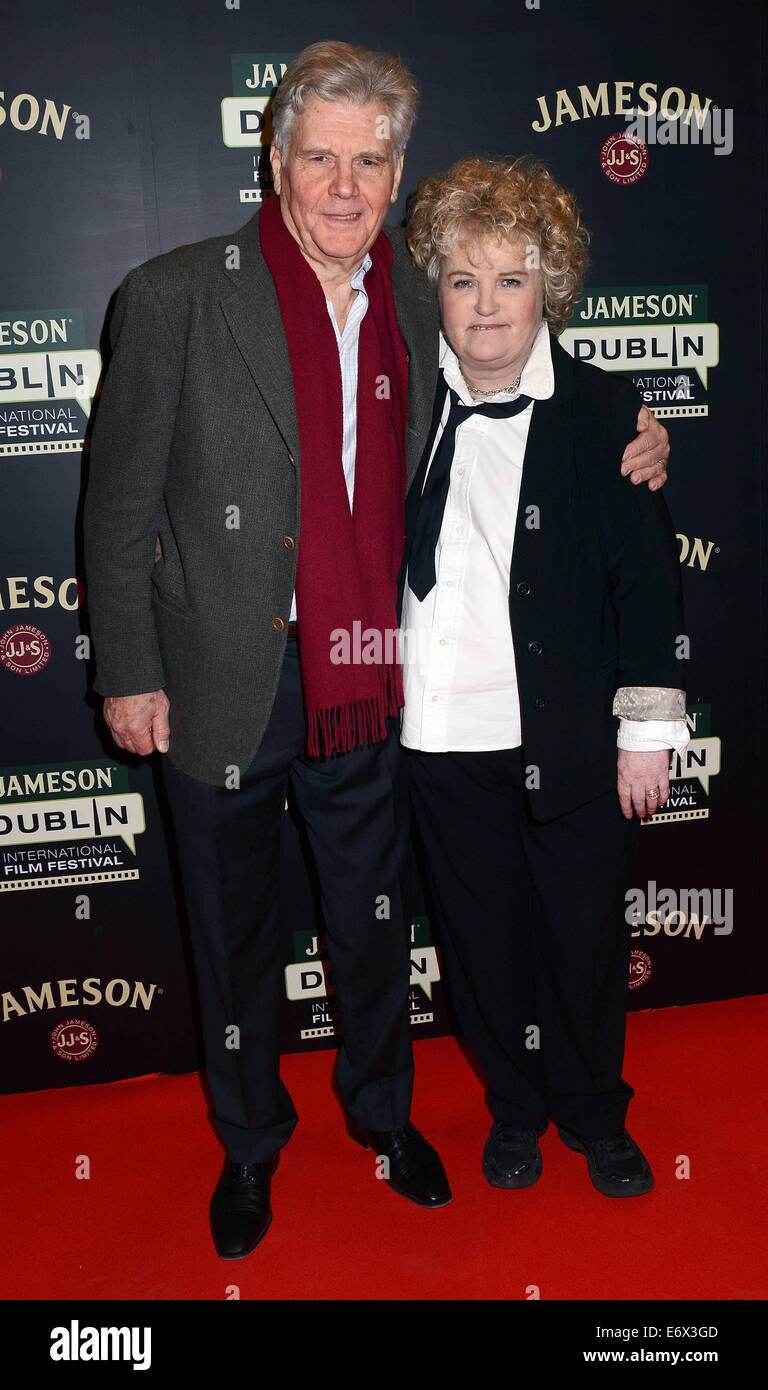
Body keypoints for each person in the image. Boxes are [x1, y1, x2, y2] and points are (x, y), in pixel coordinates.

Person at [82, 43, 670, 1260]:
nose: (346, 184)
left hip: (371, 680)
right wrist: (130, 670)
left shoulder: (419, 293)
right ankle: (250, 1147)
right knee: (233, 936)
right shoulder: (177, 293)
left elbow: (531, 378)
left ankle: (385, 1121)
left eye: (371, 159)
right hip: (219, 684)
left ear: (398, 172)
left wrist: (637, 431)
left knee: (372, 922)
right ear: (276, 159)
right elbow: (117, 503)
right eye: (321, 156)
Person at [400, 155, 688, 1198]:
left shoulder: (605, 411)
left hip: (562, 732)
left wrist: (648, 731)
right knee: (480, 947)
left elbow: (649, 585)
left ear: (548, 288)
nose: (485, 305)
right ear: (436, 284)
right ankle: (514, 1109)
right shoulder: (397, 403)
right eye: (465, 280)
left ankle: (593, 1112)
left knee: (580, 938)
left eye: (511, 280)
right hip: (438, 737)